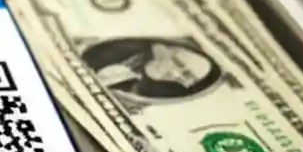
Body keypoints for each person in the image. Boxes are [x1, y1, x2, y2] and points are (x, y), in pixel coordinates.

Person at [83, 37, 222, 101]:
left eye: (188, 77)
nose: (174, 73)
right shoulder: (117, 50)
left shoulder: (143, 90)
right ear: (161, 47)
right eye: (177, 62)